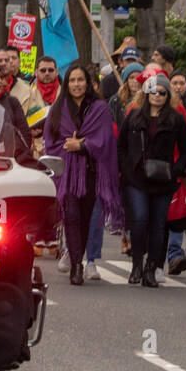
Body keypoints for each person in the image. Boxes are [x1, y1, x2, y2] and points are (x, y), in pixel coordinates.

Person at [43, 60, 120, 285]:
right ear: (67, 84)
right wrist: (69, 147)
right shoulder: (58, 108)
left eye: (81, 80)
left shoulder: (99, 109)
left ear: (88, 83)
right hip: (66, 174)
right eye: (73, 80)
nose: (77, 84)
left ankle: (81, 257)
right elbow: (51, 139)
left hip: (91, 173)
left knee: (86, 219)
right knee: (72, 216)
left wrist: (83, 146)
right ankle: (76, 264)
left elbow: (105, 140)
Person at [118, 73, 186, 286]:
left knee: (159, 225)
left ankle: (152, 268)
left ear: (168, 95)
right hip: (136, 179)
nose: (157, 95)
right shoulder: (133, 116)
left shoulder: (175, 119)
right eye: (153, 91)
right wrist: (126, 168)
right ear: (146, 93)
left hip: (164, 180)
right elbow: (121, 145)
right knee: (140, 220)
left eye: (162, 92)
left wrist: (175, 170)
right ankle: (136, 266)